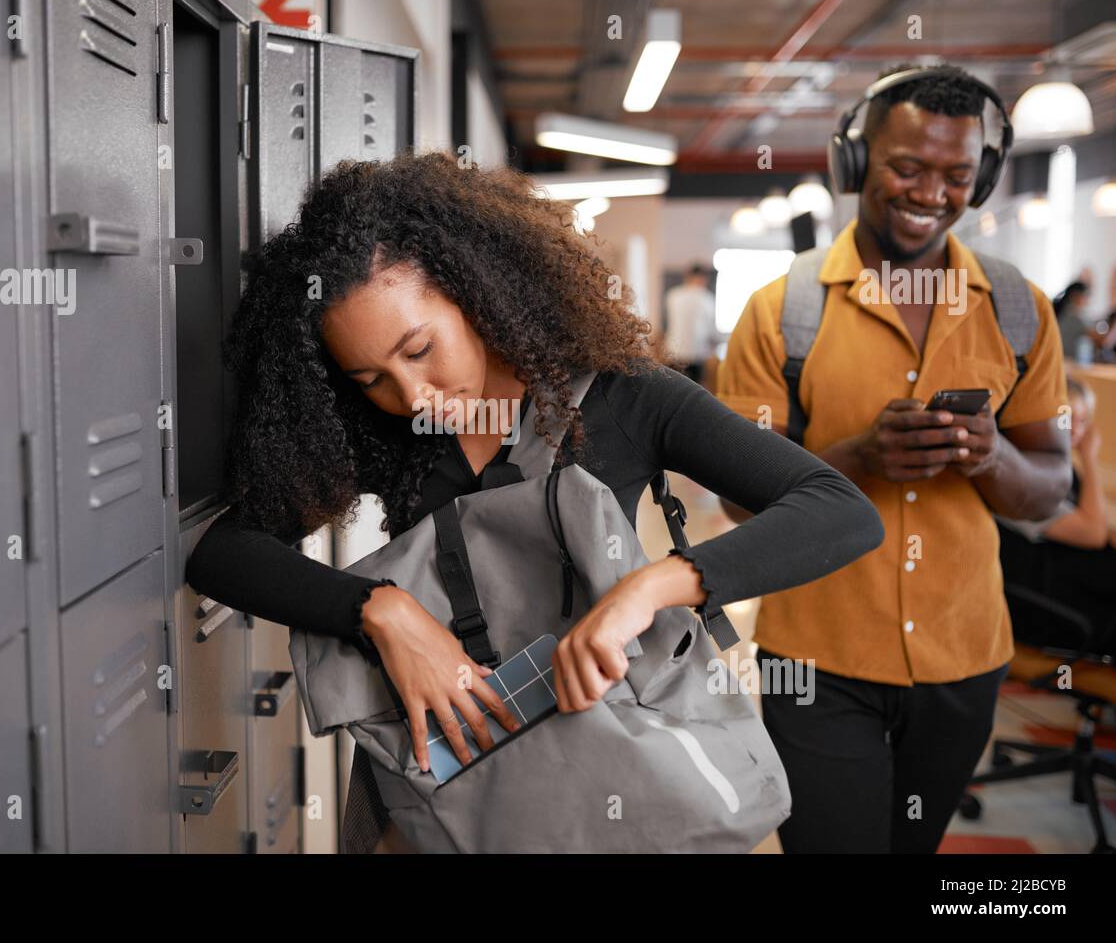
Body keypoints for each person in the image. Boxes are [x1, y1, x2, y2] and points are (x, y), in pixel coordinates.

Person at [185, 150, 884, 854]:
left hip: (617, 769)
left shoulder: (624, 399)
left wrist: (650, 589)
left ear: (473, 288)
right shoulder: (386, 433)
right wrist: (382, 611)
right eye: (372, 377)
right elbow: (223, 553)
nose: (412, 396)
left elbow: (837, 508)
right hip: (456, 791)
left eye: (421, 348)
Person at [716, 64, 1072, 853]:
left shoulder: (1019, 311)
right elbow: (740, 502)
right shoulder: (782, 313)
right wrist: (856, 458)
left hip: (965, 654)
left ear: (982, 179)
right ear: (855, 163)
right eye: (906, 167)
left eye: (956, 173)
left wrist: (991, 457)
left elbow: (1051, 490)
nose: (930, 192)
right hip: (817, 659)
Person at [996, 377, 1116, 657]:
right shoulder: (1023, 476)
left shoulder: (1059, 471)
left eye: (1084, 422)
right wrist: (1089, 458)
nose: (1076, 429)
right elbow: (1093, 534)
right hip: (1050, 598)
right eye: (1068, 417)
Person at [663, 263, 718, 384]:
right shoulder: (706, 298)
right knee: (695, 392)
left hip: (674, 351)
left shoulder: (673, 295)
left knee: (673, 388)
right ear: (703, 278)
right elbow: (711, 329)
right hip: (696, 353)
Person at [1052, 281, 1100, 360]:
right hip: (1068, 361)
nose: (1087, 300)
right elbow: (1100, 339)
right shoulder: (1073, 316)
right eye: (1086, 296)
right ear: (1075, 296)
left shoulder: (1066, 312)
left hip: (1064, 359)